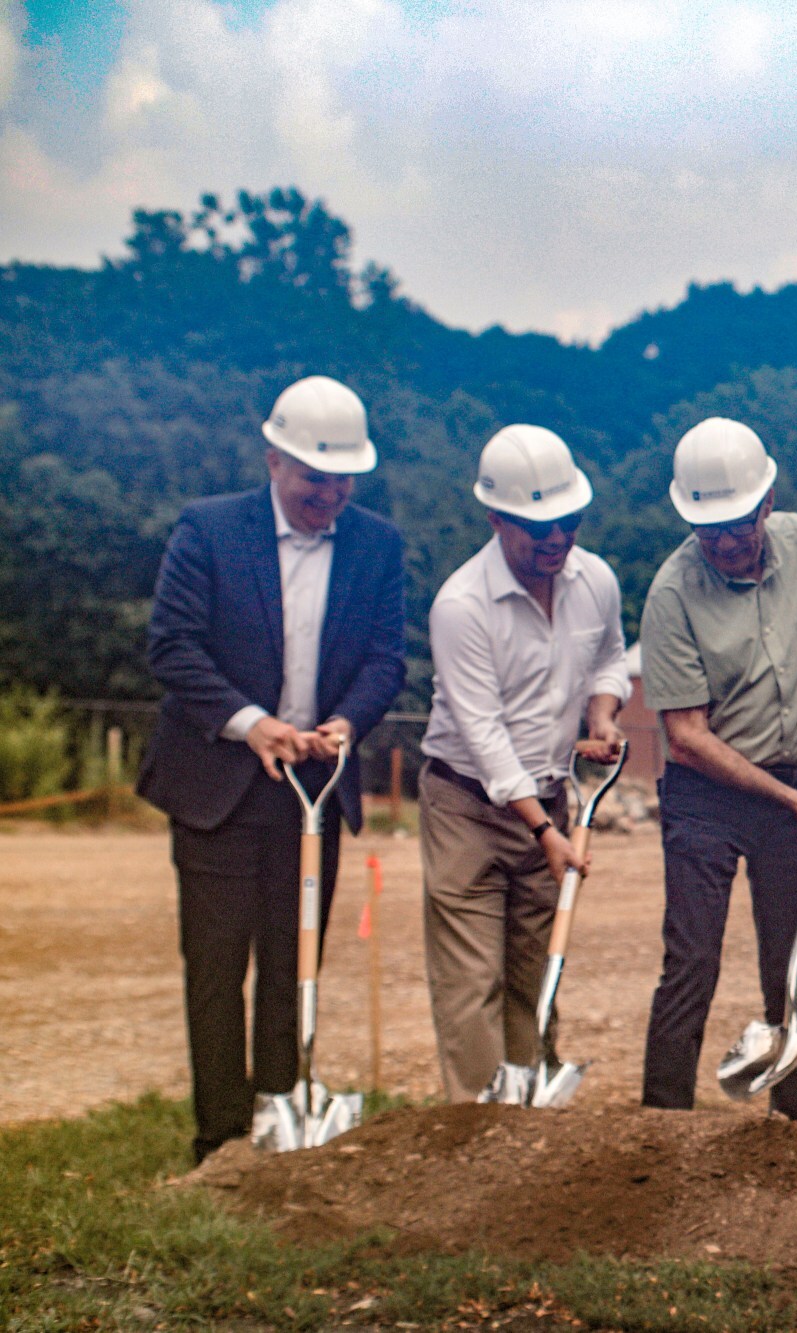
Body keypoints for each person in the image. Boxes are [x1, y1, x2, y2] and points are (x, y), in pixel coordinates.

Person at [138, 374, 406, 1163]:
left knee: (296, 963)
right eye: (314, 477)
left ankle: (281, 1119)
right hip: (217, 785)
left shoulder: (378, 544)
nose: (330, 493)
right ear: (273, 462)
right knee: (217, 967)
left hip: (312, 791)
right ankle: (220, 1139)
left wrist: (346, 722)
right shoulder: (207, 530)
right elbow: (173, 647)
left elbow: (387, 659)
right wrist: (252, 724)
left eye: (343, 478)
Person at [638, 417, 797, 1119]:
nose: (722, 542)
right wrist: (794, 798)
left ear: (768, 502)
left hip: (795, 784)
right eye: (706, 529)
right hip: (705, 794)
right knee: (691, 960)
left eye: (736, 525)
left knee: (795, 954)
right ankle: (661, 1124)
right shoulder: (670, 593)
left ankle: (793, 1121)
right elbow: (686, 735)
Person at [418, 425, 629, 1102]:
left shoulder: (595, 579)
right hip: (467, 806)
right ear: (495, 518)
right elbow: (484, 736)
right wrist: (545, 833)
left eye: (568, 522)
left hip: (551, 798)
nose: (556, 540)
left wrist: (601, 714)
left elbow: (610, 659)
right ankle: (481, 1133)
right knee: (472, 979)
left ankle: (532, 1128)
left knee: (535, 973)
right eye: (537, 527)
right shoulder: (461, 606)